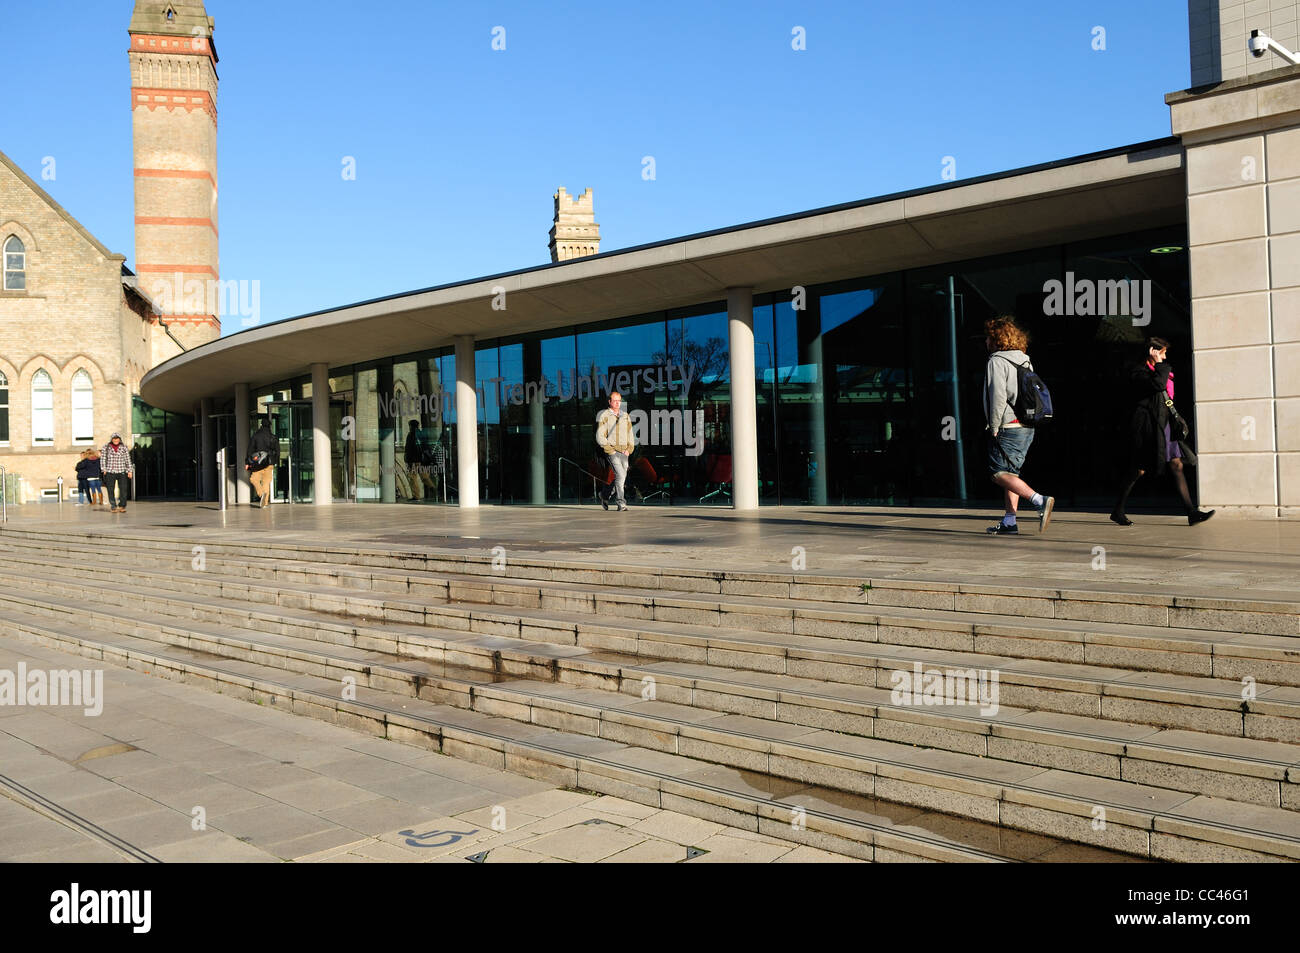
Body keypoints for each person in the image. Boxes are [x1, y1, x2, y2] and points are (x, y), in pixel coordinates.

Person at [1110, 336, 1214, 526]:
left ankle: (1192, 513)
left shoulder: (1160, 370)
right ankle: (1118, 510)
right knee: (1139, 469)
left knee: (1176, 464)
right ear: (1153, 352)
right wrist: (1158, 364)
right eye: (1162, 353)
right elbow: (1157, 385)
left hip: (1164, 425)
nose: (1165, 358)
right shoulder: (1138, 372)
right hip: (1148, 427)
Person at [982, 315, 1054, 535]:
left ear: (996, 339)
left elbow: (997, 397)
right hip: (1026, 426)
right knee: (1011, 475)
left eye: (988, 337)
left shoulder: (996, 360)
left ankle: (1039, 500)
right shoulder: (1024, 358)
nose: (985, 341)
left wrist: (993, 426)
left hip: (1008, 425)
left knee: (997, 473)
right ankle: (1009, 521)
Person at [595, 390, 635, 511]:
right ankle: (621, 503)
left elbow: (630, 434)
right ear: (610, 402)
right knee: (621, 475)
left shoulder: (625, 416)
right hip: (612, 451)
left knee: (620, 477)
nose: (617, 403)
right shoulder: (604, 415)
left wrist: (630, 449)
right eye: (615, 401)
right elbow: (599, 435)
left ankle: (604, 495)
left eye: (619, 401)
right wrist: (609, 450)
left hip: (625, 452)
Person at [245, 417, 279, 508]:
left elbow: (250, 449)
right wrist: (275, 462)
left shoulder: (256, 436)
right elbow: (277, 451)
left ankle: (261, 494)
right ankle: (265, 502)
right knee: (266, 482)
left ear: (261, 425)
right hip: (269, 463)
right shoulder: (273, 436)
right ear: (269, 426)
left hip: (258, 464)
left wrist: (247, 462)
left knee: (254, 479)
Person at [100, 433, 133, 513]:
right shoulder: (106, 447)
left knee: (123, 489)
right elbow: (103, 459)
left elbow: (127, 459)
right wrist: (103, 469)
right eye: (114, 439)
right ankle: (113, 506)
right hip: (110, 471)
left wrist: (130, 470)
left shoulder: (124, 447)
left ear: (120, 439)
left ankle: (122, 505)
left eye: (117, 438)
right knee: (110, 490)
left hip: (122, 470)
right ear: (111, 439)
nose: (116, 440)